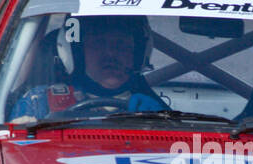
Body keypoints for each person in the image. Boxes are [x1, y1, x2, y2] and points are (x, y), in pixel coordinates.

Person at [11, 15, 165, 120]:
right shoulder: (39, 104)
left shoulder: (154, 110)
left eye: (121, 45)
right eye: (98, 44)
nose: (111, 54)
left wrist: (160, 121)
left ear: (138, 54)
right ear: (75, 53)